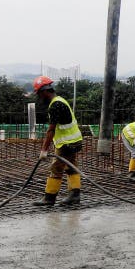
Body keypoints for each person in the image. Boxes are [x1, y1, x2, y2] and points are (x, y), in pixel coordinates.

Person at [31, 76, 84, 207]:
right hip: (75, 140)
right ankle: (74, 195)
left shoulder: (55, 105)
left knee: (56, 168)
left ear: (44, 91)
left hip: (66, 143)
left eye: (39, 94)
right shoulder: (60, 100)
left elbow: (51, 130)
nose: (39, 97)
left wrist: (44, 150)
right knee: (71, 166)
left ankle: (49, 198)